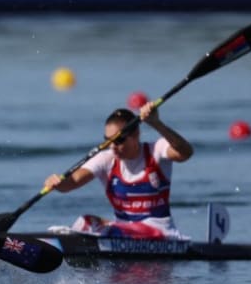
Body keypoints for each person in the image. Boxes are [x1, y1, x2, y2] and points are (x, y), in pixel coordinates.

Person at [44, 102, 194, 239]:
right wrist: (58, 183)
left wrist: (156, 123)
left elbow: (185, 153)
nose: (112, 146)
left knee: (97, 229)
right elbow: (73, 182)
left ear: (136, 135)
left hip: (161, 234)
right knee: (85, 222)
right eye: (108, 141)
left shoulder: (157, 150)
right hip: (122, 233)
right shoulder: (106, 159)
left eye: (119, 140)